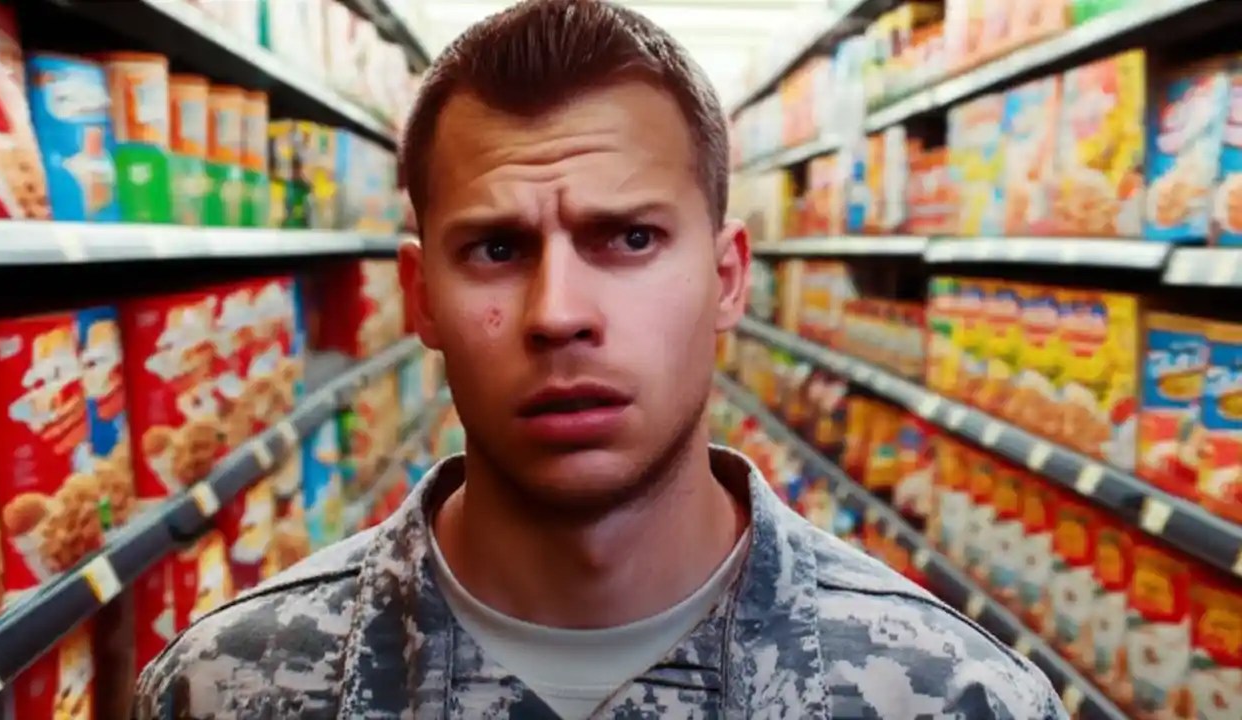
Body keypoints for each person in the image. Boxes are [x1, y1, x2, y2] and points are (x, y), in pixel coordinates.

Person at [134, 1, 1067, 717]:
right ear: (420, 298)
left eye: (627, 238)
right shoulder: (222, 689)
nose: (559, 315)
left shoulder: (957, 696)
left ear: (728, 276)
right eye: (496, 250)